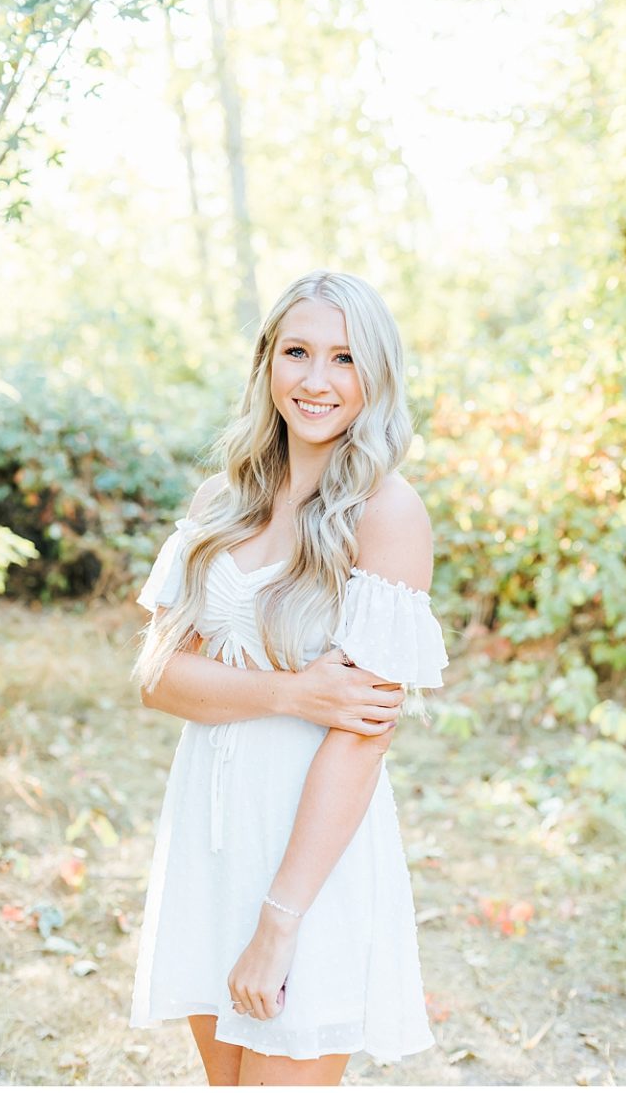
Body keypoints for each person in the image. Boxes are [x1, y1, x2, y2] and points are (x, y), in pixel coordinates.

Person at [129, 271, 448, 1083]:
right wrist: (293, 691)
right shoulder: (220, 499)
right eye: (297, 352)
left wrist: (280, 924)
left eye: (344, 358)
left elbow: (362, 738)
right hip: (210, 834)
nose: (316, 380)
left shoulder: (387, 513)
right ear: (267, 361)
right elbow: (159, 676)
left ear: (375, 374)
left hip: (310, 860)